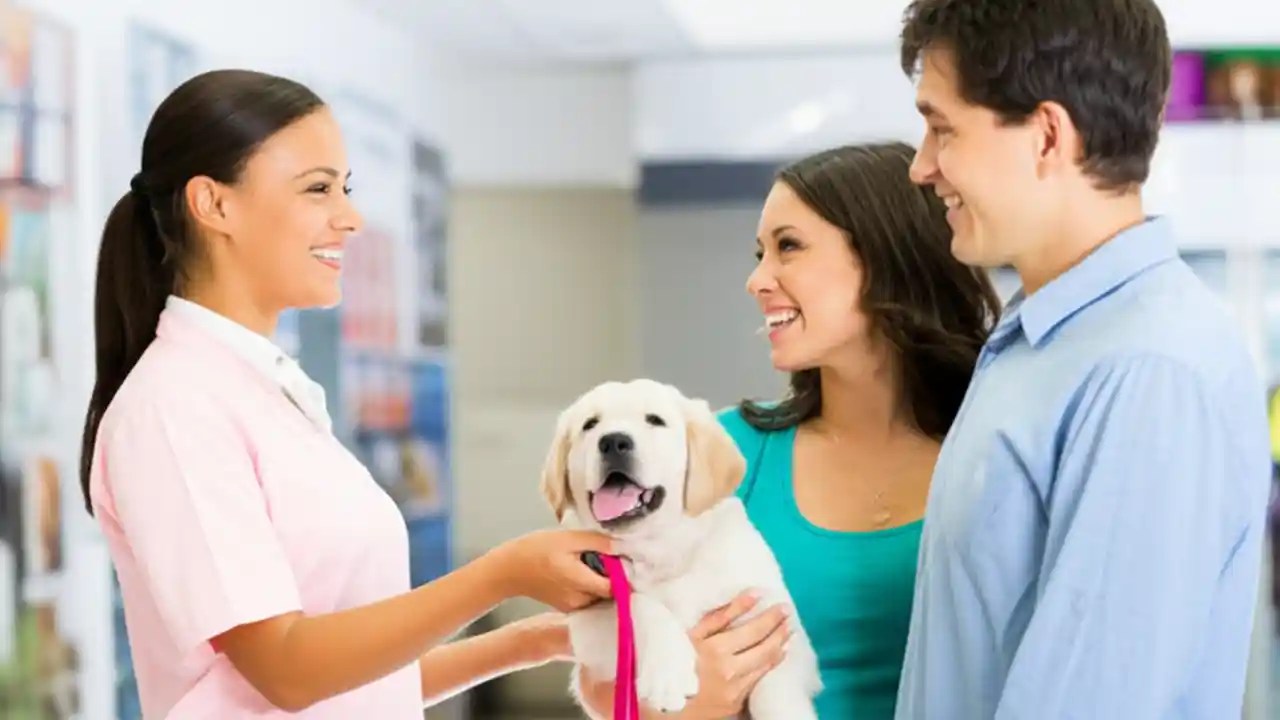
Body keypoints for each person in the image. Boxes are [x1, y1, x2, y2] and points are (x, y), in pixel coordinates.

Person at [79, 69, 614, 718]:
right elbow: (287, 671)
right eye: (318, 189)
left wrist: (534, 641)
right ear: (214, 204)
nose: (350, 218)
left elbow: (351, 684)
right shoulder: (172, 407)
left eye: (346, 188)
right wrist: (503, 574)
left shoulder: (265, 388)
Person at [894, 2, 1273, 718]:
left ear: (1045, 135)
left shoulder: (1150, 370)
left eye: (943, 129)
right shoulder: (1047, 339)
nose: (922, 166)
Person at [577, 142, 1002, 718]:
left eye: (789, 248)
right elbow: (602, 671)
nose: (757, 281)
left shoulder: (997, 451)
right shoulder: (720, 457)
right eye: (760, 253)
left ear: (884, 257)